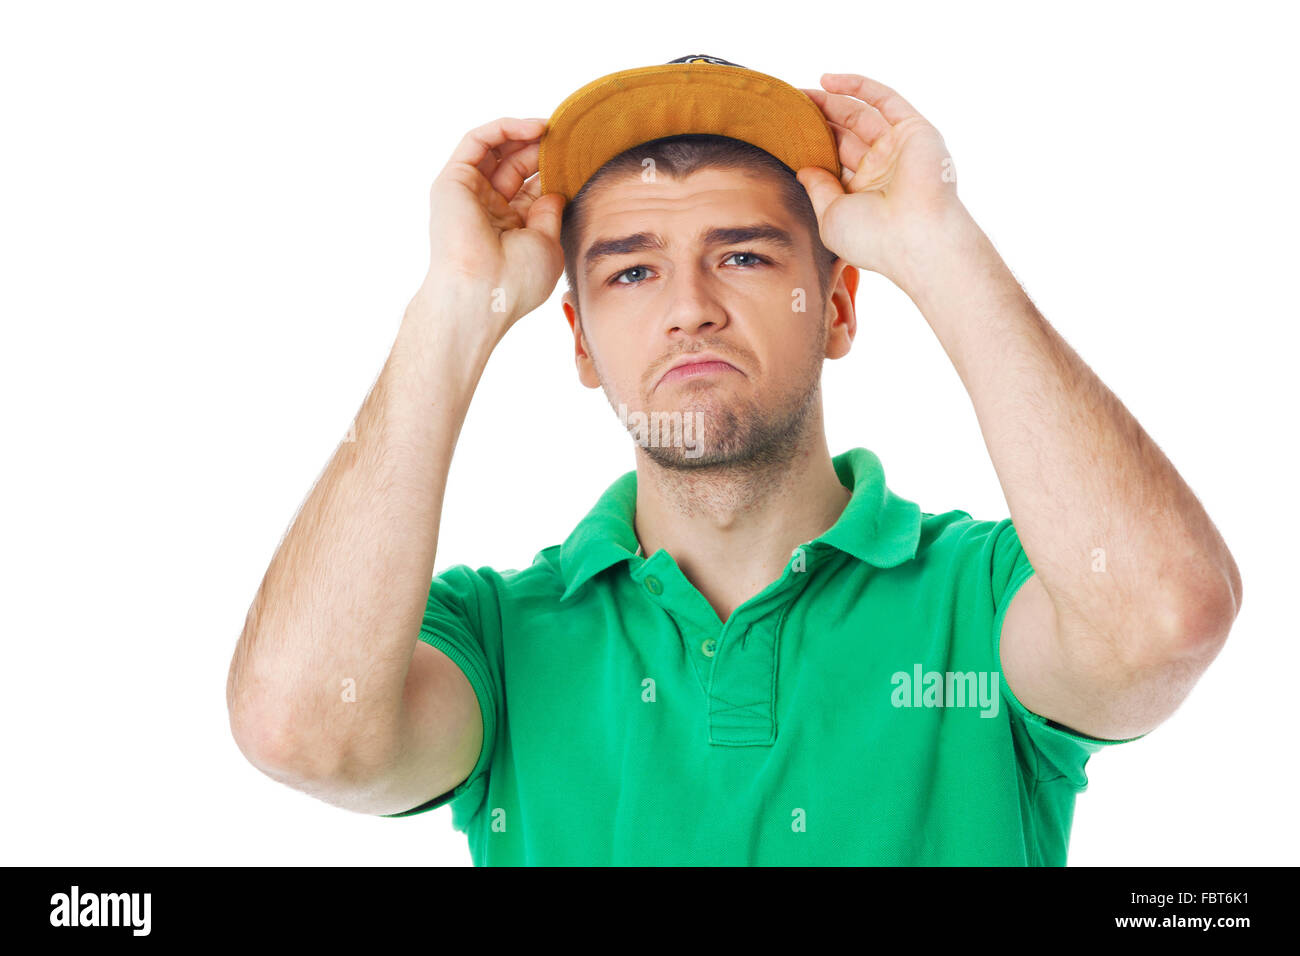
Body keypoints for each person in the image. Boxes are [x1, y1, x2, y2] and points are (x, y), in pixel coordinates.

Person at [226, 55, 1243, 865]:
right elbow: (299, 725)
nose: (689, 306)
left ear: (837, 306)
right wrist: (457, 301)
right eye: (632, 270)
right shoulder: (496, 638)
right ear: (578, 339)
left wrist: (934, 245)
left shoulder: (981, 602)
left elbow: (1163, 617)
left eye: (745, 255)